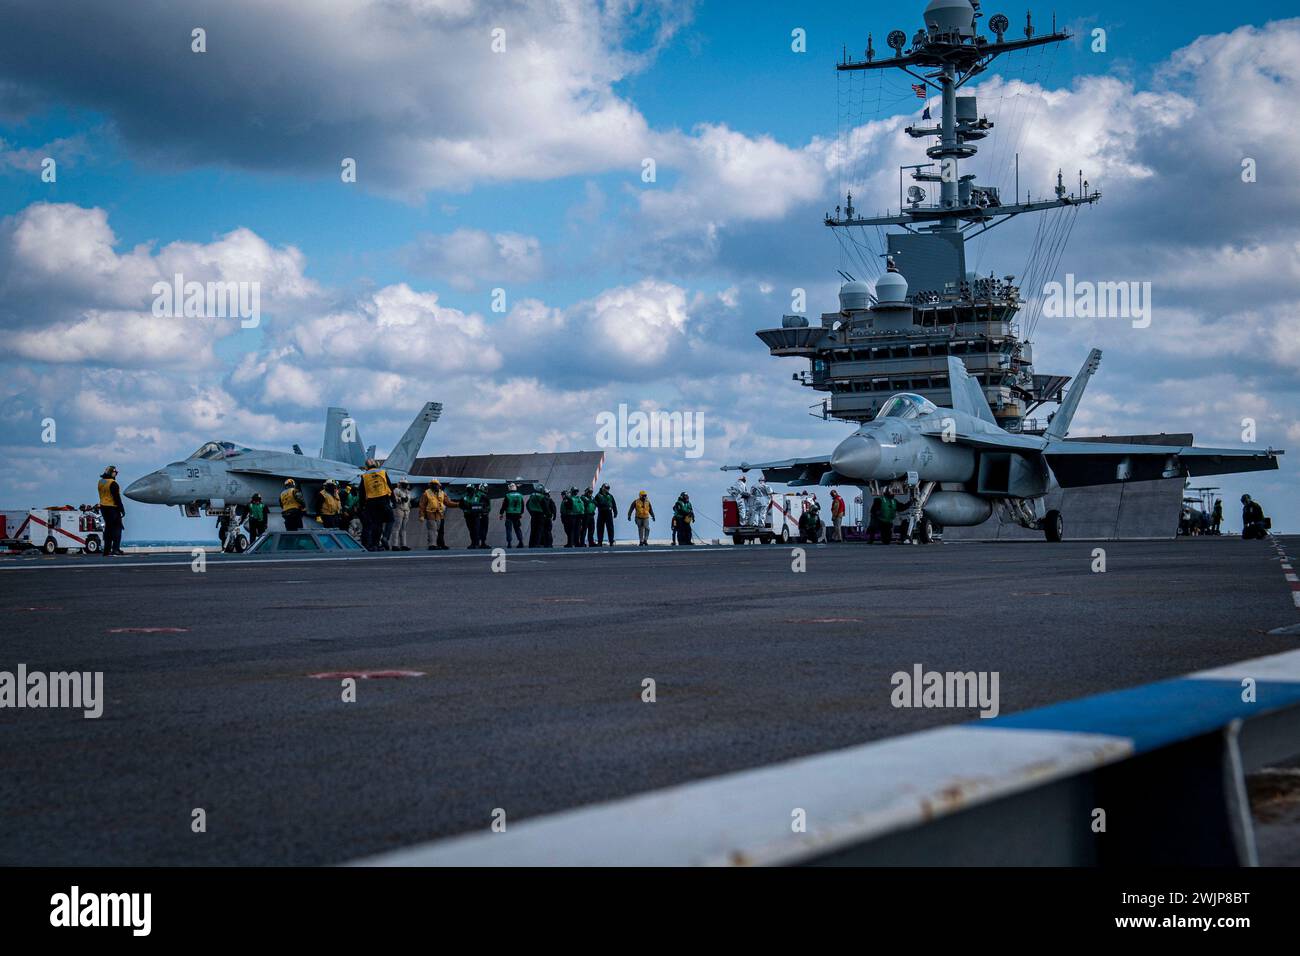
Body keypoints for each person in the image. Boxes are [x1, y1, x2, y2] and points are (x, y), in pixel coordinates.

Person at [358, 459, 395, 550]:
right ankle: (385, 537)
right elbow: (389, 486)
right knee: (391, 520)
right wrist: (393, 501)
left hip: (372, 503)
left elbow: (362, 492)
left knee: (377, 524)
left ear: (366, 467)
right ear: (376, 464)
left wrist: (362, 506)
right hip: (384, 500)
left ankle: (375, 545)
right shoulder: (382, 472)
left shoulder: (364, 476)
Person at [97, 465, 127, 556]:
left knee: (108, 529)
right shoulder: (113, 483)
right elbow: (117, 498)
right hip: (112, 508)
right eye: (115, 472)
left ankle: (106, 550)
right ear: (111, 473)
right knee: (117, 528)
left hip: (103, 508)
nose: (116, 474)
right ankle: (116, 549)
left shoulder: (100, 482)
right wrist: (122, 509)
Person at [419, 480, 450, 550]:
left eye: (436, 484)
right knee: (432, 529)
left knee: (437, 530)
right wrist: (421, 515)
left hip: (439, 514)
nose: (435, 486)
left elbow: (448, 502)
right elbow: (422, 505)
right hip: (430, 514)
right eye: (433, 484)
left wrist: (458, 504)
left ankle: (436, 544)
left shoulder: (442, 493)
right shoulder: (426, 493)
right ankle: (432, 545)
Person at [500, 482, 525, 548]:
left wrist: (501, 513)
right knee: (517, 528)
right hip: (517, 515)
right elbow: (522, 506)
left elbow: (504, 505)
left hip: (509, 514)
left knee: (509, 529)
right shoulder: (520, 495)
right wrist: (520, 513)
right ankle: (521, 542)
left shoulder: (507, 495)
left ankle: (509, 543)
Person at [390, 478, 412, 550]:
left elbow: (408, 502)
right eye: (404, 484)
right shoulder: (396, 490)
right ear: (400, 484)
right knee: (397, 528)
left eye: (406, 484)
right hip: (398, 509)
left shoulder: (408, 492)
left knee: (403, 529)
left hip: (406, 511)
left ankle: (403, 545)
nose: (405, 485)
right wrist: (400, 499)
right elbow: (393, 498)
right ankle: (394, 545)